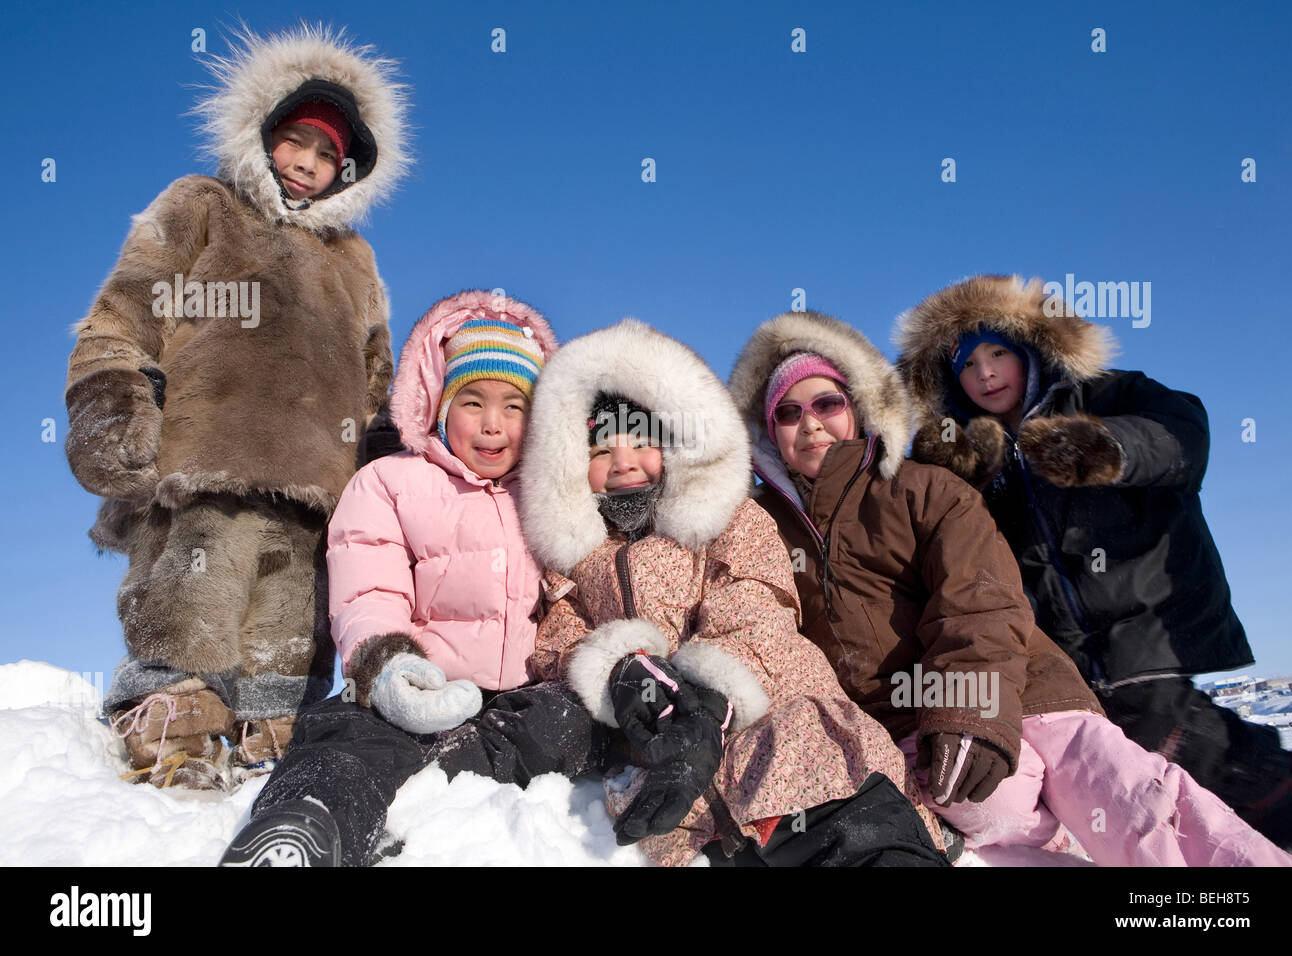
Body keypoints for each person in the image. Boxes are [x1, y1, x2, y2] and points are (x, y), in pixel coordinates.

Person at [728, 308, 1292, 865]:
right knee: (995, 806)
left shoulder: (924, 483)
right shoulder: (762, 523)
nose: (810, 423)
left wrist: (1107, 447)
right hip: (949, 702)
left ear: (860, 406)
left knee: (1135, 787)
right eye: (787, 411)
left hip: (1077, 656)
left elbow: (976, 590)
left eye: (828, 403)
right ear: (766, 429)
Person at [67, 25, 409, 789]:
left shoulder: (355, 261)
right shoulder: (203, 207)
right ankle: (171, 728)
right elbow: (124, 312)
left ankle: (266, 746)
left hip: (317, 490)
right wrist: (110, 396)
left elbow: (376, 372)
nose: (309, 165)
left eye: (327, 156)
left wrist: (384, 465)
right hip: (205, 462)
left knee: (285, 644)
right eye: (296, 142)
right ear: (263, 134)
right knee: (192, 612)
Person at [517, 319, 950, 867]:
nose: (623, 462)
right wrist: (622, 674)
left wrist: (710, 696)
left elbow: (754, 603)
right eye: (602, 450)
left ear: (675, 448)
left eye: (641, 441)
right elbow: (560, 637)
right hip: (667, 755)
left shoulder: (729, 520)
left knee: (823, 783)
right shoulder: (576, 559)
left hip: (773, 708)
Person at [893, 274, 1292, 851]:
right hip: (1064, 649)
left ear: (1031, 348)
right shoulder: (976, 453)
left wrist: (1106, 448)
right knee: (1119, 756)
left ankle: (1276, 809)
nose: (984, 372)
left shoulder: (1105, 394)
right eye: (966, 364)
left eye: (998, 352)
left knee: (1170, 730)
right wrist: (953, 473)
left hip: (1149, 616)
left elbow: (1184, 435)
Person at [217, 290, 624, 866]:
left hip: (520, 700)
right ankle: (305, 823)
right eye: (472, 402)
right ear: (439, 403)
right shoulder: (390, 482)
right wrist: (389, 668)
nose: (492, 425)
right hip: (416, 685)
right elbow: (370, 587)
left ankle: (425, 793)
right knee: (348, 737)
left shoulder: (555, 498)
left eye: (514, 406)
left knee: (565, 723)